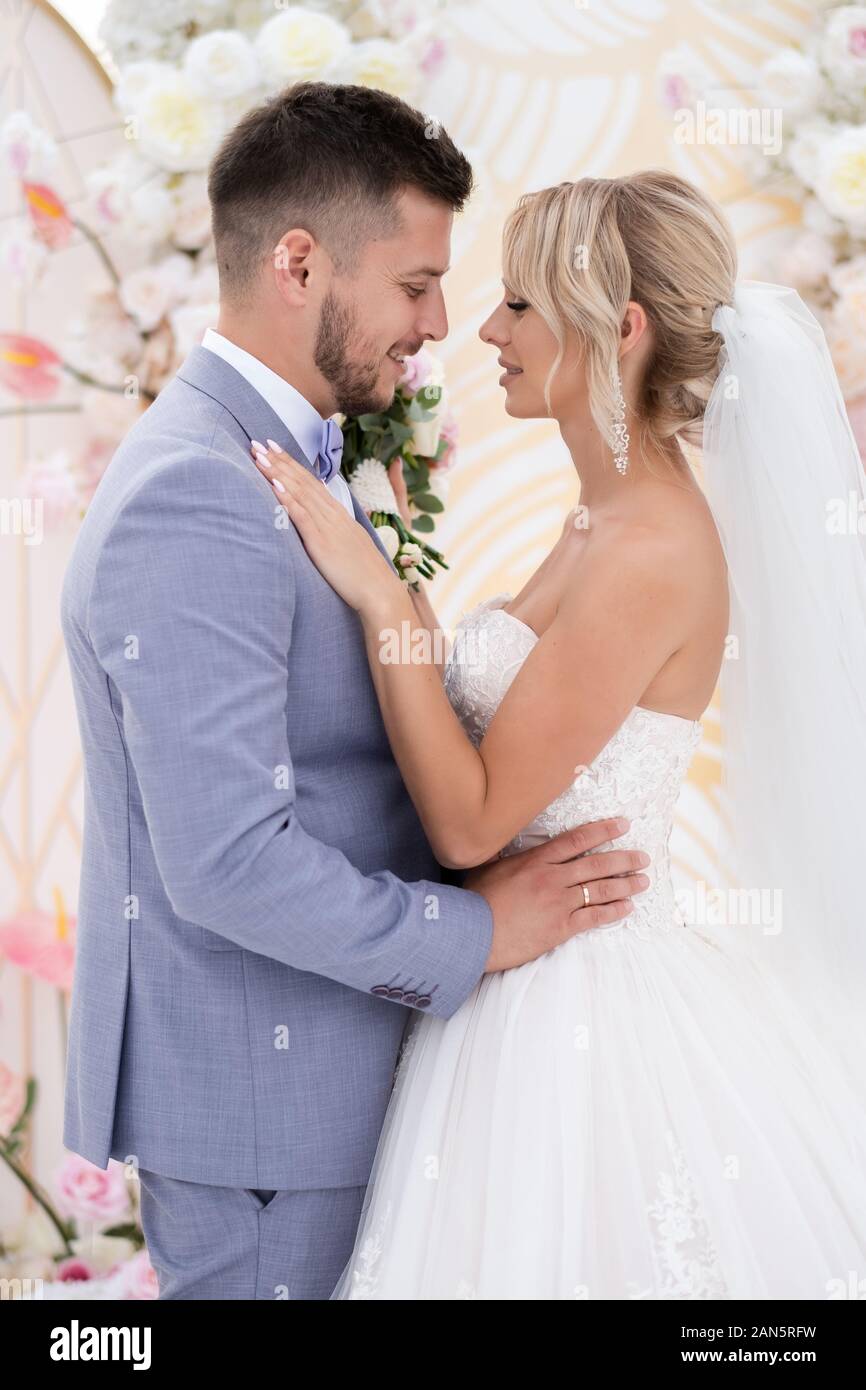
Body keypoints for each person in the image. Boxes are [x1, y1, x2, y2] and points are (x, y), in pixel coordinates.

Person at [58, 85, 648, 1301]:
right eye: (417, 284)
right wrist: (479, 932)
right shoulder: (197, 494)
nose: (440, 324)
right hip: (269, 1125)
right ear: (296, 261)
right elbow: (225, 860)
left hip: (339, 1090)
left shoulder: (299, 456)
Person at [254, 170, 866, 1299]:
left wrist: (385, 608)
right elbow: (493, 716)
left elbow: (470, 816)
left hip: (583, 1008)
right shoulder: (606, 513)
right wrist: (395, 568)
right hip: (525, 978)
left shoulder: (645, 549)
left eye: (520, 305)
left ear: (617, 329)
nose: (484, 329)